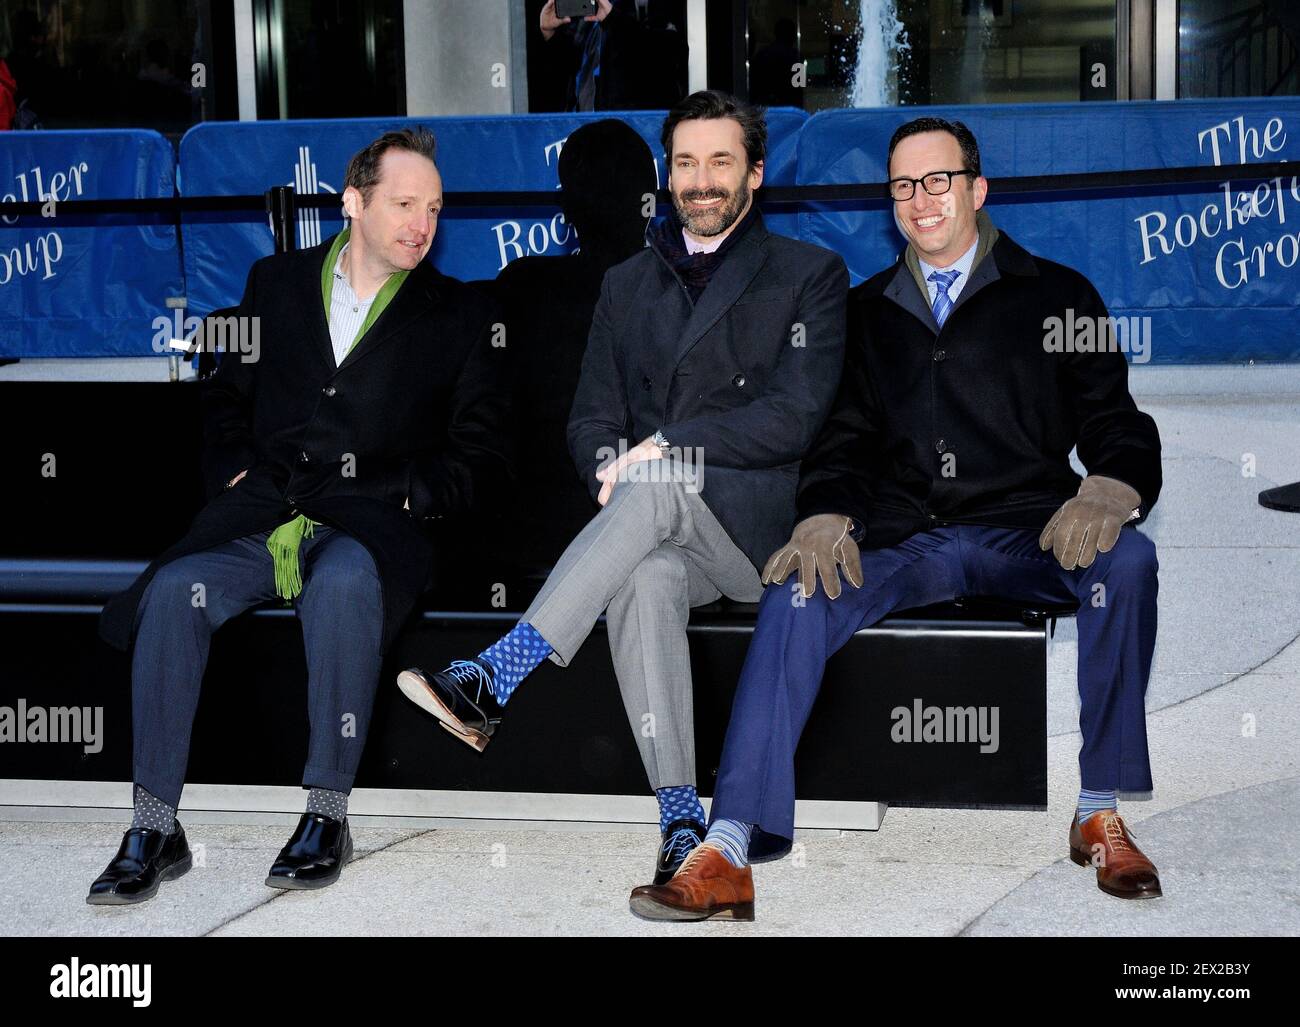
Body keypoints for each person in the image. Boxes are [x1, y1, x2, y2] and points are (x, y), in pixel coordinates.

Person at [630, 116, 1164, 922]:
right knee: (795, 595)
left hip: (1027, 529)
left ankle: (1098, 808)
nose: (922, 199)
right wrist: (823, 512)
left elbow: (1115, 418)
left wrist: (1113, 485)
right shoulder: (866, 312)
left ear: (976, 189)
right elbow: (840, 439)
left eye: (939, 180)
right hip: (902, 533)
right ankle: (729, 845)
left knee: (1128, 563)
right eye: (904, 185)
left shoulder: (1059, 295)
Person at [397, 91, 848, 888]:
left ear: (756, 171)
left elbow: (794, 417)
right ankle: (681, 818)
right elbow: (591, 418)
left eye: (720, 161)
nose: (701, 181)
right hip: (655, 529)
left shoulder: (809, 273)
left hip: (749, 534)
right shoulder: (629, 283)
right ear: (664, 176)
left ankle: (497, 672)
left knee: (659, 479)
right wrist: (613, 461)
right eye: (685, 163)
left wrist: (662, 448)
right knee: (643, 574)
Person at [89, 128, 509, 904]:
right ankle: (154, 825)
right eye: (404, 203)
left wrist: (412, 492)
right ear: (353, 201)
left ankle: (326, 813)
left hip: (372, 525)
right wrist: (231, 467)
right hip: (263, 512)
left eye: (436, 208)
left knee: (345, 583)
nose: (422, 223)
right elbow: (221, 393)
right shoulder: (275, 283)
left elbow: (478, 455)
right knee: (176, 590)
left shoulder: (459, 313)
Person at [471, 118, 658, 574]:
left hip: (529, 533)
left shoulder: (522, 288)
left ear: (566, 210)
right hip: (638, 529)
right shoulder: (679, 292)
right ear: (649, 204)